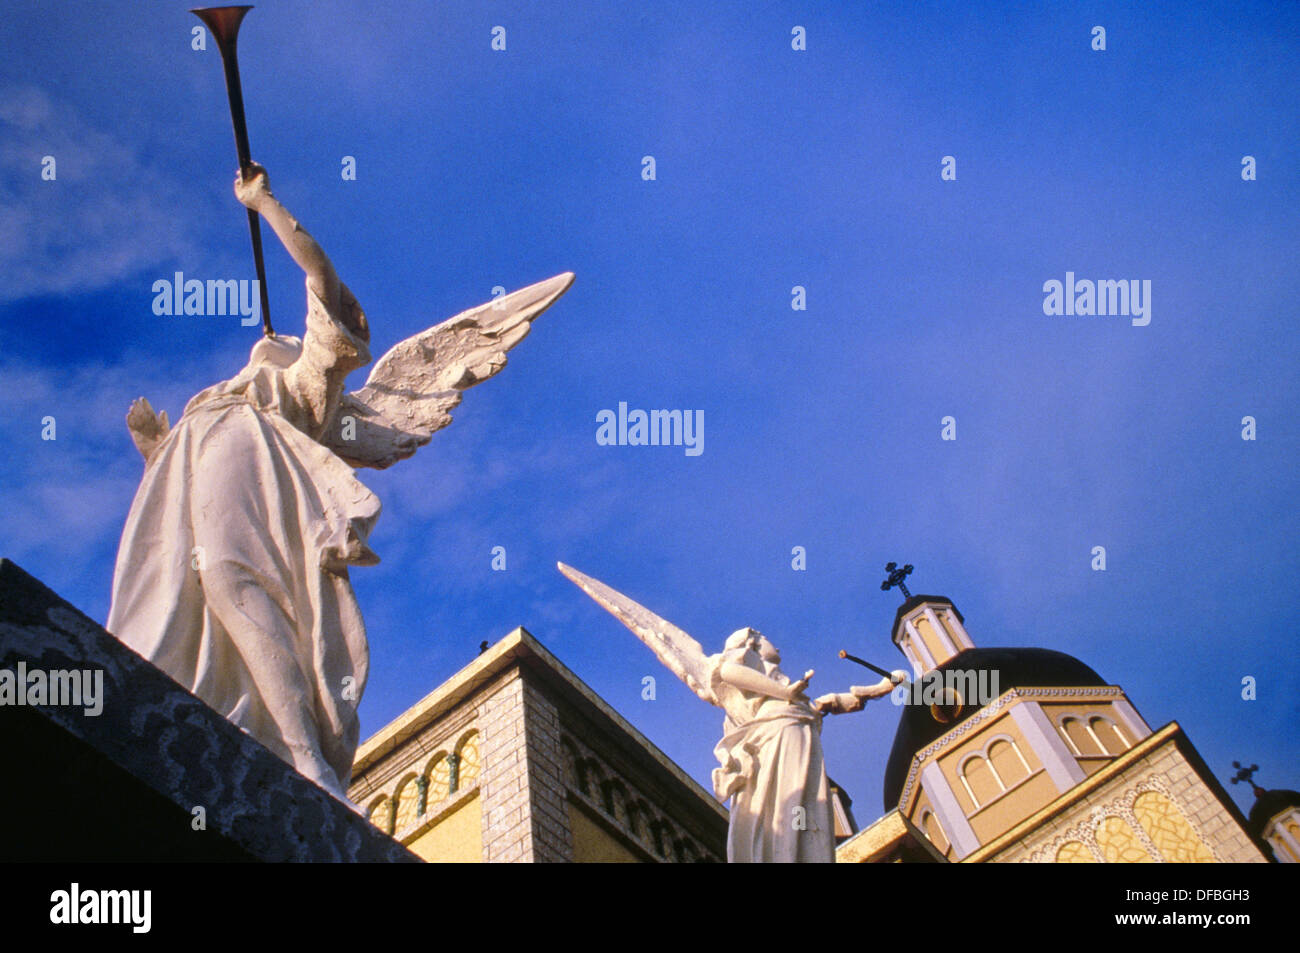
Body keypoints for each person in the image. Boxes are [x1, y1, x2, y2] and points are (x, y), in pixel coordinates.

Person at [108, 164, 376, 801]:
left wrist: (266, 204)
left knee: (230, 576)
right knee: (174, 591)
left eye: (285, 337)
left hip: (254, 460)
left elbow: (321, 278)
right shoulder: (220, 399)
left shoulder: (299, 387)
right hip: (192, 460)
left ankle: (302, 755)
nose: (269, 339)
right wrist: (157, 452)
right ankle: (219, 725)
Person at [709, 628, 900, 862]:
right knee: (789, 802)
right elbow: (728, 671)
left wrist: (875, 690)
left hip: (794, 731)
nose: (776, 648)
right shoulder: (752, 679)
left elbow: (821, 705)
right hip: (778, 736)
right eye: (768, 640)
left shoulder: (780, 693)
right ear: (751, 644)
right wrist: (784, 692)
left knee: (807, 805)